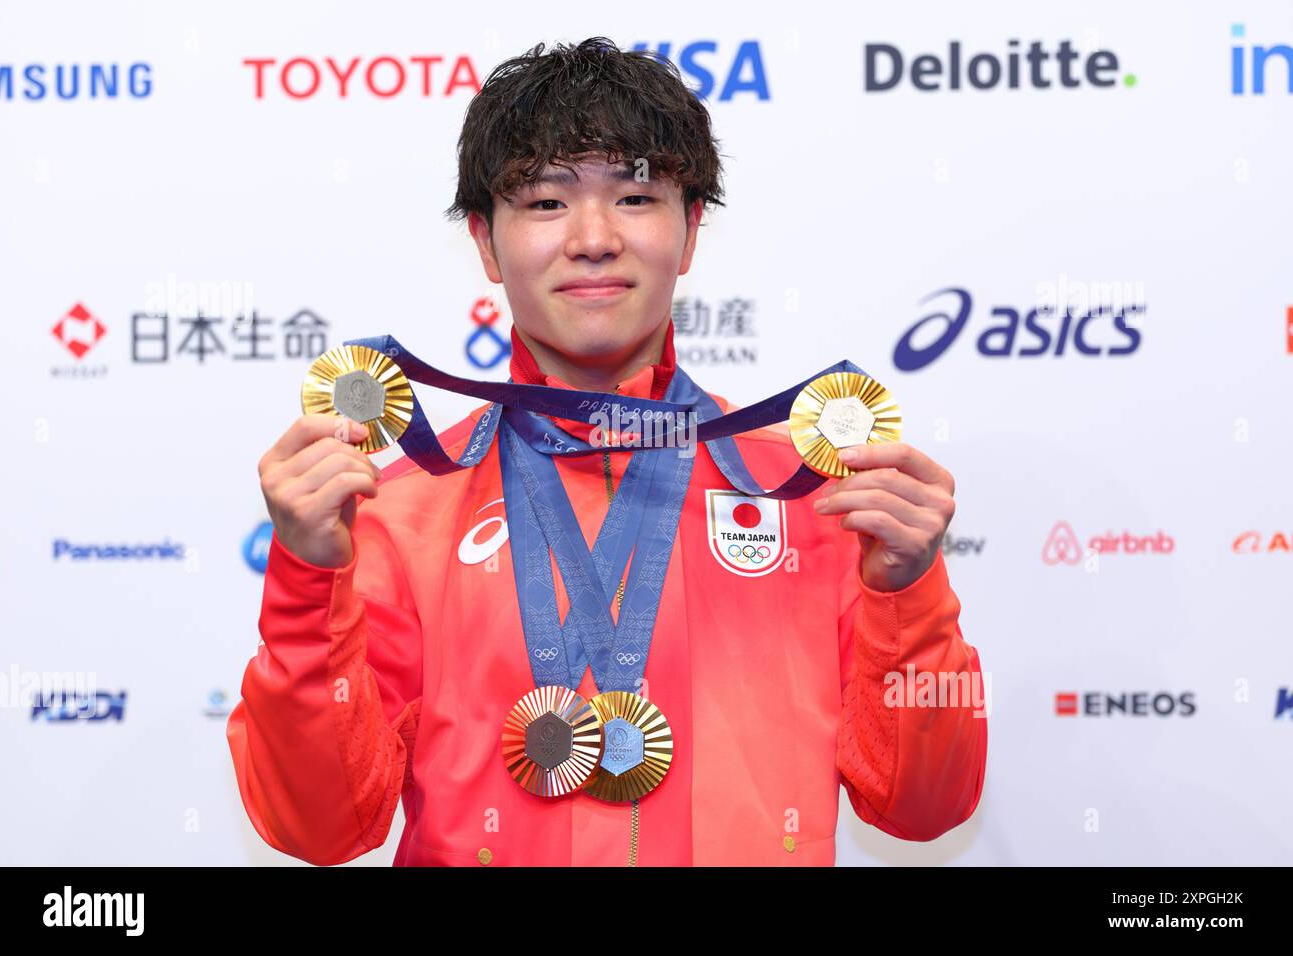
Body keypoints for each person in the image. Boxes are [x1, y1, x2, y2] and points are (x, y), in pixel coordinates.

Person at [227, 36, 987, 866]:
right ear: (485, 241)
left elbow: (922, 806)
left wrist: (907, 596)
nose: (593, 239)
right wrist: (306, 582)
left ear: (691, 230)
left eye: (634, 197)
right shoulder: (397, 508)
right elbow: (322, 826)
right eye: (547, 202)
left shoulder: (813, 495)